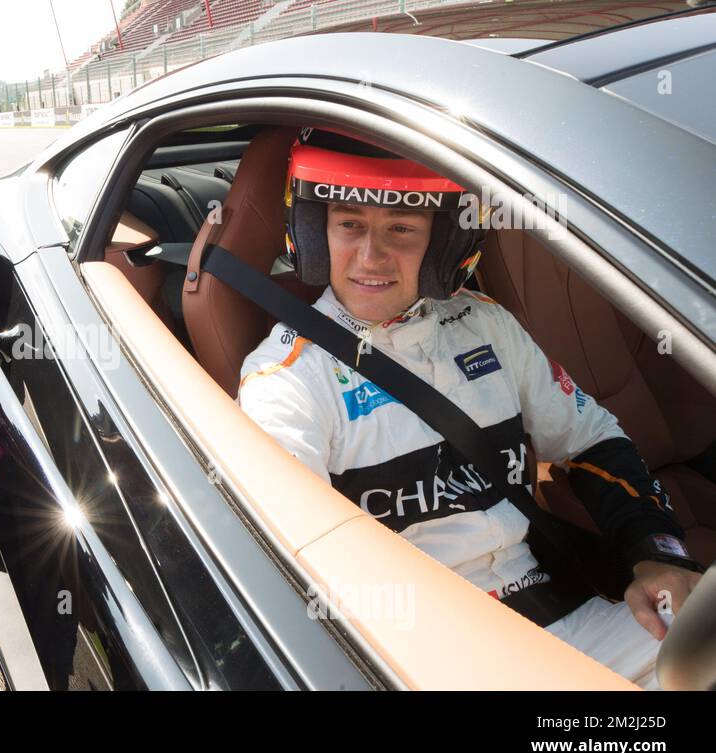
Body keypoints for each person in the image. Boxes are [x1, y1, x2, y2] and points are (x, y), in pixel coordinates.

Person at [237, 129, 706, 688]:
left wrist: (656, 553)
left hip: (558, 604)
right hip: (428, 653)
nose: (371, 256)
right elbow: (295, 568)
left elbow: (590, 439)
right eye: (349, 224)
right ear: (315, 233)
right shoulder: (287, 382)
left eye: (402, 229)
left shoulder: (484, 322)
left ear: (443, 245)